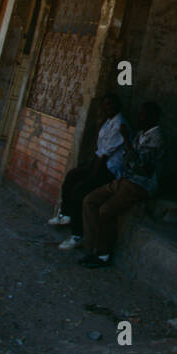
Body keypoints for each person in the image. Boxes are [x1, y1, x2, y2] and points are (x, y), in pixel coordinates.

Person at [78, 102, 164, 268]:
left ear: (153, 117)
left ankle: (102, 254)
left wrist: (126, 141)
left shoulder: (157, 138)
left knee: (106, 210)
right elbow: (127, 159)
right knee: (90, 200)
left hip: (140, 184)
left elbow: (141, 165)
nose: (139, 118)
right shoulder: (141, 134)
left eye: (143, 115)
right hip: (125, 180)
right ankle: (90, 248)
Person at [52, 94, 130, 247]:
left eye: (111, 105)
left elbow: (105, 154)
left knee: (81, 191)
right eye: (105, 105)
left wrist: (92, 174)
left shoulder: (120, 124)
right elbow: (99, 149)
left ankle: (77, 234)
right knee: (72, 176)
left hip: (109, 169)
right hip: (98, 163)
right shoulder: (109, 122)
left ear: (117, 106)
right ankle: (65, 214)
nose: (108, 108)